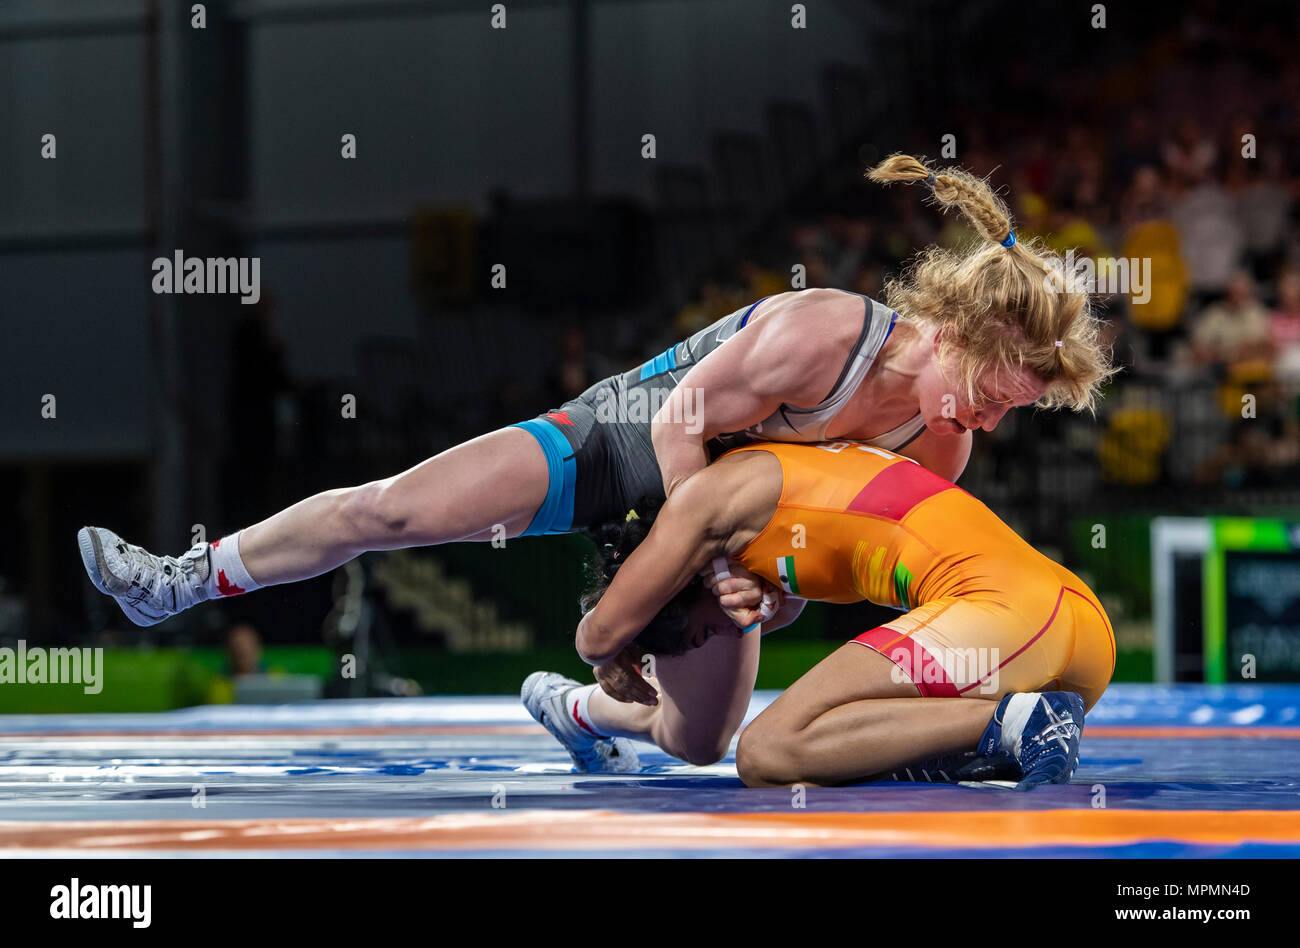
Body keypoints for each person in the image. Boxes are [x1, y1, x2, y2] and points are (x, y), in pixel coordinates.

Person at [78, 153, 1112, 700]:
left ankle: (579, 709)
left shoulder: (943, 445)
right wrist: (697, 559)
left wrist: (764, 586)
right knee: (388, 509)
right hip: (625, 438)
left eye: (1013, 412)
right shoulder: (822, 334)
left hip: (715, 524)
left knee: (706, 745)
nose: (989, 418)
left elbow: (827, 567)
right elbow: (678, 422)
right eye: (994, 390)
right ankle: (182, 579)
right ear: (960, 331)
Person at [525, 439, 1114, 789]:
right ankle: (995, 734)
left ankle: (1020, 723)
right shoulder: (780, 495)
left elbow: (599, 630)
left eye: (701, 632)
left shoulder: (702, 505)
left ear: (676, 580)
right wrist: (771, 601)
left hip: (1008, 617)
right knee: (848, 740)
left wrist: (607, 656)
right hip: (1069, 631)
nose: (720, 636)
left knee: (766, 751)